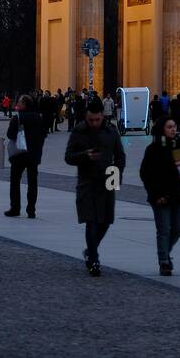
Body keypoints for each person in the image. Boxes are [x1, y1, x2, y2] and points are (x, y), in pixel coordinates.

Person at [65, 96, 125, 276]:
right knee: (90, 221)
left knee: (106, 220)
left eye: (97, 119)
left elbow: (120, 156)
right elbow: (68, 156)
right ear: (86, 117)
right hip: (87, 181)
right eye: (91, 120)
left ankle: (91, 250)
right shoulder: (79, 131)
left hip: (108, 179)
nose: (94, 123)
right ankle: (94, 259)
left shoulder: (111, 131)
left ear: (103, 116)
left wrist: (116, 176)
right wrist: (85, 156)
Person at [140, 117, 180, 276]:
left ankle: (165, 251)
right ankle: (164, 261)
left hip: (179, 196)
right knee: (163, 230)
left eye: (174, 126)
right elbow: (145, 173)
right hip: (160, 196)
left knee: (178, 228)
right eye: (169, 127)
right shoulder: (153, 149)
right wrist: (156, 194)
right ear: (162, 129)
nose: (173, 129)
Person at [5, 94, 45, 218]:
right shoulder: (39, 118)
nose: (18, 104)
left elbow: (10, 135)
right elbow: (43, 135)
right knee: (33, 183)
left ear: (25, 104)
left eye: (20, 102)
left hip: (20, 155)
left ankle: (15, 208)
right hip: (34, 155)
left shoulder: (18, 118)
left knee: (15, 181)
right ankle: (31, 210)